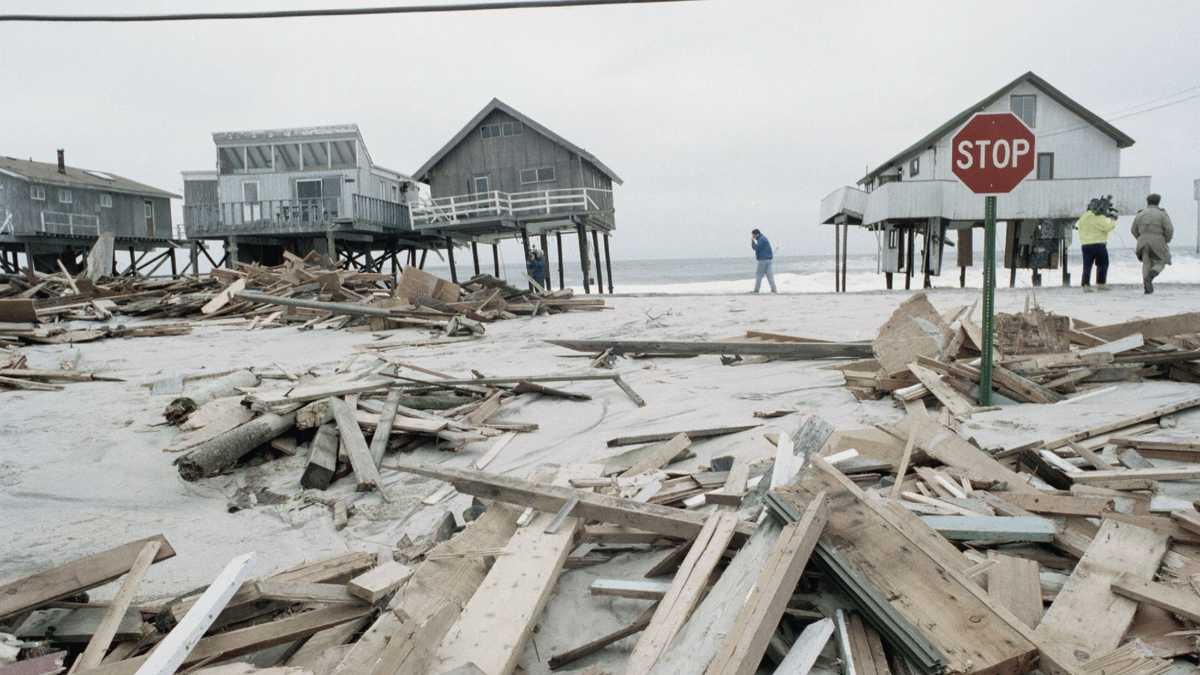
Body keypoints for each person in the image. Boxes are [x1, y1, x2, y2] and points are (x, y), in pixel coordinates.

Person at [1131, 193, 1174, 294]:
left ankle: (1147, 288)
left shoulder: (1140, 214)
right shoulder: (1162, 214)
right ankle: (1151, 276)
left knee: (1146, 263)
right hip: (1157, 239)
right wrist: (1166, 240)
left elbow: (1133, 229)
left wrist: (1140, 238)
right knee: (1162, 261)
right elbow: (1169, 229)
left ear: (1147, 201)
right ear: (1158, 202)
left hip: (1142, 240)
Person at [1075, 199, 1116, 291]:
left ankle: (1085, 285)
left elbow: (1079, 227)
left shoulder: (1083, 217)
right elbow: (1107, 228)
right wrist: (1113, 220)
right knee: (1103, 264)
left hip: (1085, 245)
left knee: (1087, 266)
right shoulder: (1098, 217)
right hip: (1099, 244)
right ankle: (1101, 284)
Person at [751, 228, 777, 293]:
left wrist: (752, 241)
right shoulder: (763, 238)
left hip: (763, 260)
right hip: (768, 260)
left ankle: (756, 290)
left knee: (759, 275)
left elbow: (756, 248)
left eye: (753, 235)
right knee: (770, 276)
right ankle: (774, 290)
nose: (752, 236)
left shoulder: (761, 239)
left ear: (756, 234)